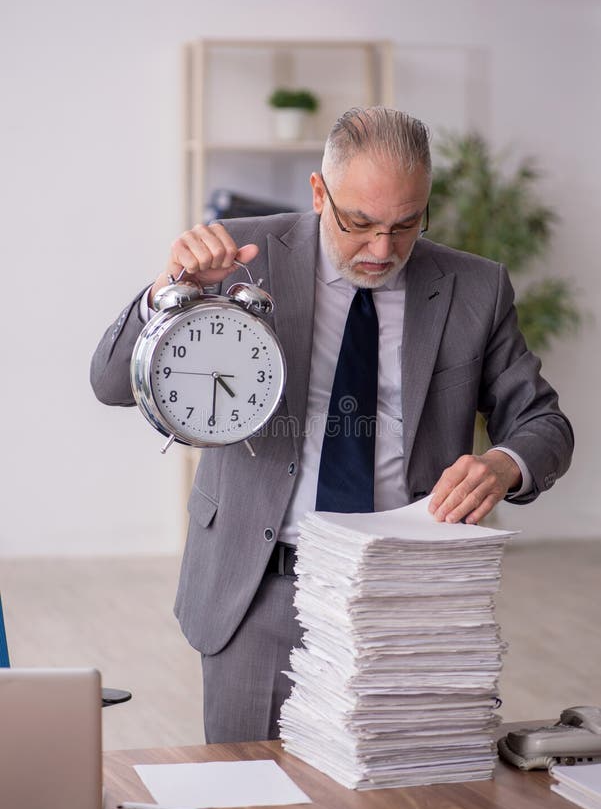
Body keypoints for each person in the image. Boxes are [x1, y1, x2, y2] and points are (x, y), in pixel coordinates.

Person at [91, 107, 573, 743]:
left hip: (402, 591)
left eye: (406, 225)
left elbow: (542, 422)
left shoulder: (475, 288)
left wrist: (502, 462)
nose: (382, 249)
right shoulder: (237, 255)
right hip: (260, 587)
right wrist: (169, 291)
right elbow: (110, 381)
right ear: (319, 193)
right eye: (360, 223)